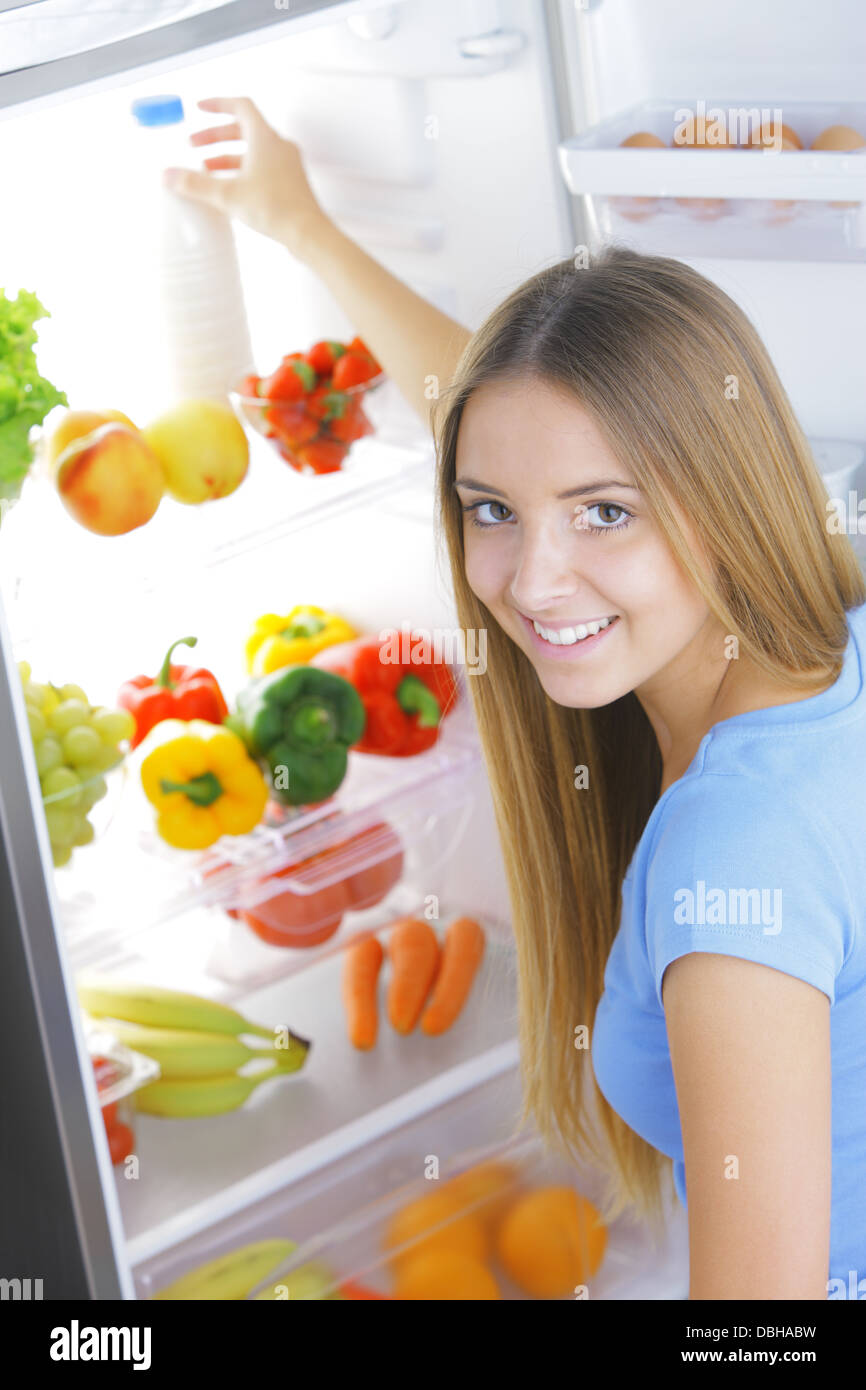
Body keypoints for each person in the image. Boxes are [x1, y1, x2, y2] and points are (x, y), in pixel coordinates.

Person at [168, 97, 866, 1301]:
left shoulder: (727, 853)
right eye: (490, 512)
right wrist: (301, 227)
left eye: (605, 511)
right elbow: (513, 430)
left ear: (722, 493)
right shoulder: (837, 639)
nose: (531, 581)